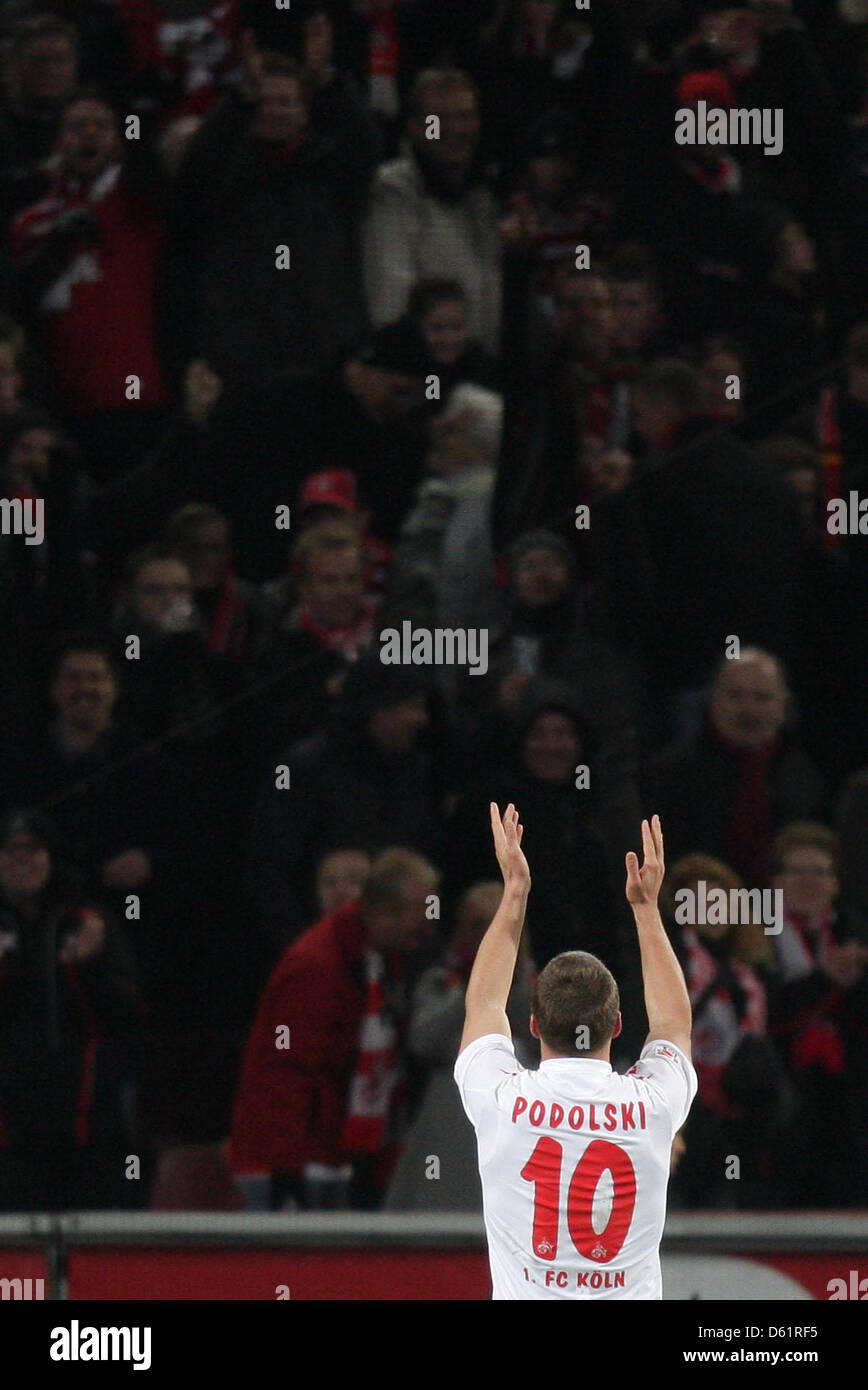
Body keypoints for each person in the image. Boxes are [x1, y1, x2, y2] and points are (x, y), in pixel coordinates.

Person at [454, 807, 696, 1300]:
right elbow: (673, 1022)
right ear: (619, 1025)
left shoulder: (500, 1098)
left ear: (534, 1024)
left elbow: (482, 1003)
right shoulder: (653, 1105)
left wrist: (515, 894)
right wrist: (647, 910)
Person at [229, 846, 440, 1211]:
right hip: (293, 1164)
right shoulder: (318, 966)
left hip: (330, 1157)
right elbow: (285, 1074)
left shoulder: (376, 961)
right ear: (384, 913)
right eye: (421, 914)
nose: (429, 925)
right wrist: (286, 1172)